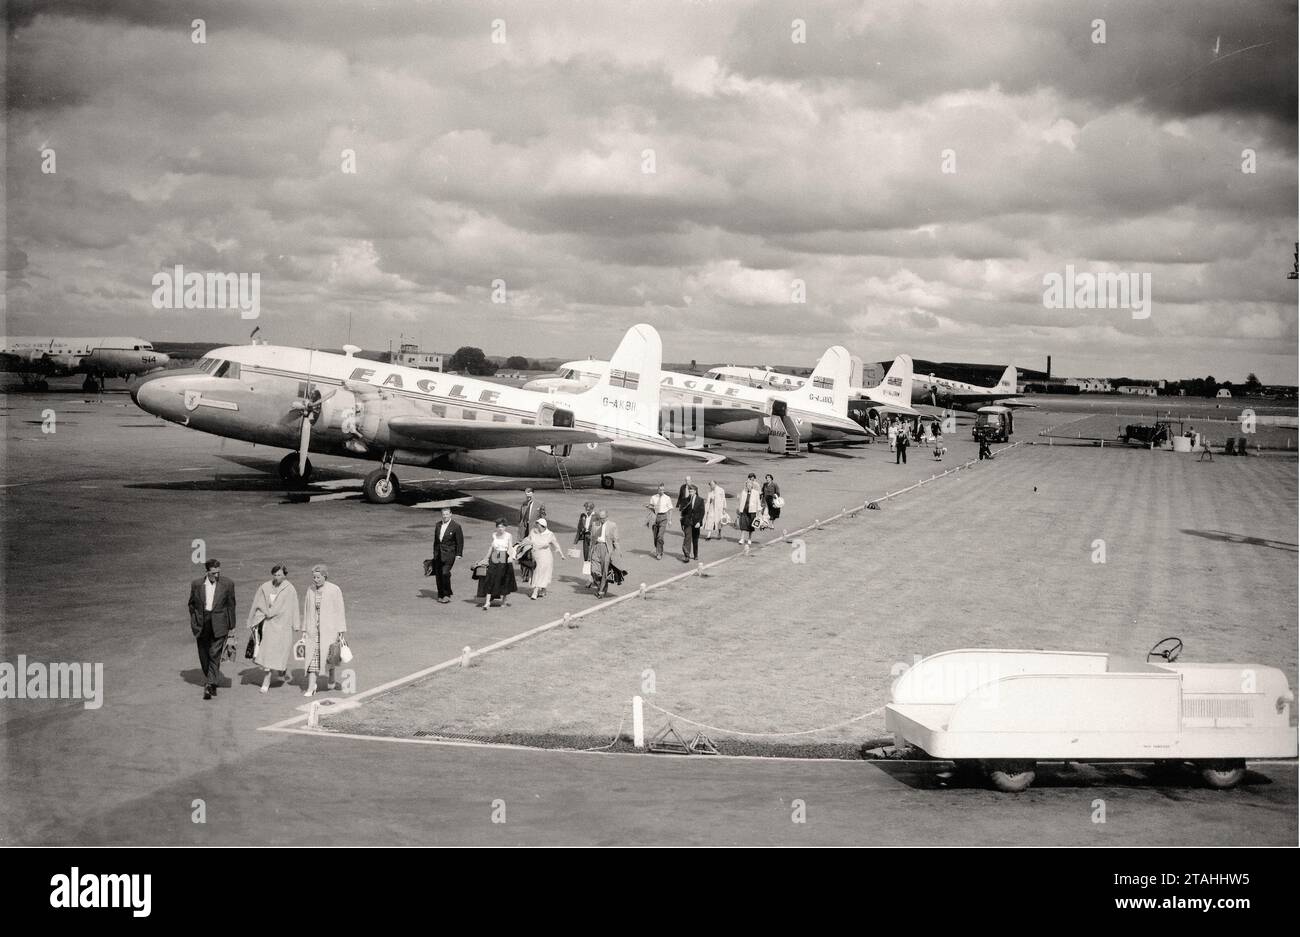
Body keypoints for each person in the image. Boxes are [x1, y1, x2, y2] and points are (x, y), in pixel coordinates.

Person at [188, 558, 237, 701]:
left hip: (220, 623)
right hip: (202, 623)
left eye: (218, 572)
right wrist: (194, 620)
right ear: (207, 571)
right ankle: (212, 679)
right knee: (204, 655)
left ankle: (209, 685)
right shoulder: (197, 584)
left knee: (214, 653)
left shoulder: (228, 584)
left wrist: (232, 627)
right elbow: (191, 604)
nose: (217, 575)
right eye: (214, 573)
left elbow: (231, 606)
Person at [248, 564, 299, 693]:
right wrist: (252, 620)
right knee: (267, 651)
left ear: (285, 575)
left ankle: (281, 668)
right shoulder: (265, 587)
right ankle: (267, 680)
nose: (277, 577)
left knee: (281, 650)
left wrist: (296, 624)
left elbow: (295, 606)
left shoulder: (290, 589)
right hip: (268, 623)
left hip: (283, 624)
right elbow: (256, 603)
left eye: (280, 575)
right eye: (275, 575)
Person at [301, 564, 348, 697]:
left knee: (329, 657)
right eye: (314, 577)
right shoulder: (310, 590)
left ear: (324, 576)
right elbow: (306, 610)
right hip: (313, 631)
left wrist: (341, 630)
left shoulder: (334, 590)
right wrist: (304, 629)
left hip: (329, 630)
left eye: (318, 577)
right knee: (312, 658)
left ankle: (332, 676)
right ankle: (311, 687)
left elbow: (340, 610)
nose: (315, 580)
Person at [476, 520, 517, 610]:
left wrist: (510, 556)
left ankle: (504, 601)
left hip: (504, 557)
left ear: (505, 527)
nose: (500, 528)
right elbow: (491, 547)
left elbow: (510, 547)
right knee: (490, 578)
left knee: (503, 578)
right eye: (498, 526)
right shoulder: (494, 535)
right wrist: (485, 558)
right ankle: (487, 602)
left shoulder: (508, 536)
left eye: (502, 526)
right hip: (494, 556)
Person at [522, 518, 565, 599]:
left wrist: (561, 554)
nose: (536, 526)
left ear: (542, 526)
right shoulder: (533, 531)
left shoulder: (550, 534)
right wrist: (520, 546)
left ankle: (535, 592)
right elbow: (527, 539)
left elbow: (556, 544)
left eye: (538, 524)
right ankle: (543, 590)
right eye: (536, 524)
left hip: (545, 557)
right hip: (535, 556)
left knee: (541, 572)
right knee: (537, 573)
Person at [589, 509, 626, 598]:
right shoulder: (595, 524)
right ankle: (600, 586)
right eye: (600, 518)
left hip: (607, 549)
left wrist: (618, 551)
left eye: (603, 518)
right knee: (594, 571)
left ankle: (601, 591)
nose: (601, 520)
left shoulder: (612, 525)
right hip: (597, 547)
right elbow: (592, 538)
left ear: (607, 517)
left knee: (604, 572)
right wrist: (591, 549)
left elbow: (616, 540)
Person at [431, 507, 464, 604]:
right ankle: (440, 594)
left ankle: (447, 595)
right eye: (443, 514)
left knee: (445, 573)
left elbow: (460, 541)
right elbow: (436, 541)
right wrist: (434, 553)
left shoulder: (456, 526)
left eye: (447, 514)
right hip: (438, 554)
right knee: (438, 575)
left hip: (449, 554)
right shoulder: (438, 525)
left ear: (450, 514)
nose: (445, 516)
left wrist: (459, 554)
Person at [646, 483, 673, 559]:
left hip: (663, 517)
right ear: (657, 489)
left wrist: (670, 520)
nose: (661, 491)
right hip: (655, 517)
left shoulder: (667, 498)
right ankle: (660, 548)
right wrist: (648, 507)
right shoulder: (653, 497)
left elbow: (670, 509)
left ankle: (659, 553)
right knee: (655, 537)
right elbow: (651, 508)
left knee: (660, 536)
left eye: (663, 490)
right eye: (660, 490)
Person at [736, 475, 763, 554]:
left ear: (752, 486)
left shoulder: (756, 493)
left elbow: (758, 502)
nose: (748, 486)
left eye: (750, 485)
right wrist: (738, 510)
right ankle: (742, 538)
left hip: (752, 511)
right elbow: (740, 501)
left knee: (751, 526)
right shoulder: (743, 492)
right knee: (743, 524)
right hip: (744, 510)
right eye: (747, 485)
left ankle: (749, 539)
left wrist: (759, 512)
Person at [679, 483, 705, 562]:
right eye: (689, 491)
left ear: (695, 491)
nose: (690, 492)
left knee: (695, 539)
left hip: (696, 522)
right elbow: (682, 511)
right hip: (687, 522)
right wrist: (682, 521)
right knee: (687, 537)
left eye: (692, 491)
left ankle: (695, 554)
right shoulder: (686, 500)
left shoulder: (700, 500)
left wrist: (699, 522)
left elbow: (702, 512)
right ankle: (687, 555)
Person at [574, 500, 596, 574]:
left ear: (592, 508)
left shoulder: (596, 516)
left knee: (593, 557)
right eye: (586, 508)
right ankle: (588, 577)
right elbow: (579, 527)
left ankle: (593, 577)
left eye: (589, 508)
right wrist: (575, 541)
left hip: (593, 538)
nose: (587, 510)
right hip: (585, 537)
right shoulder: (583, 515)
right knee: (586, 557)